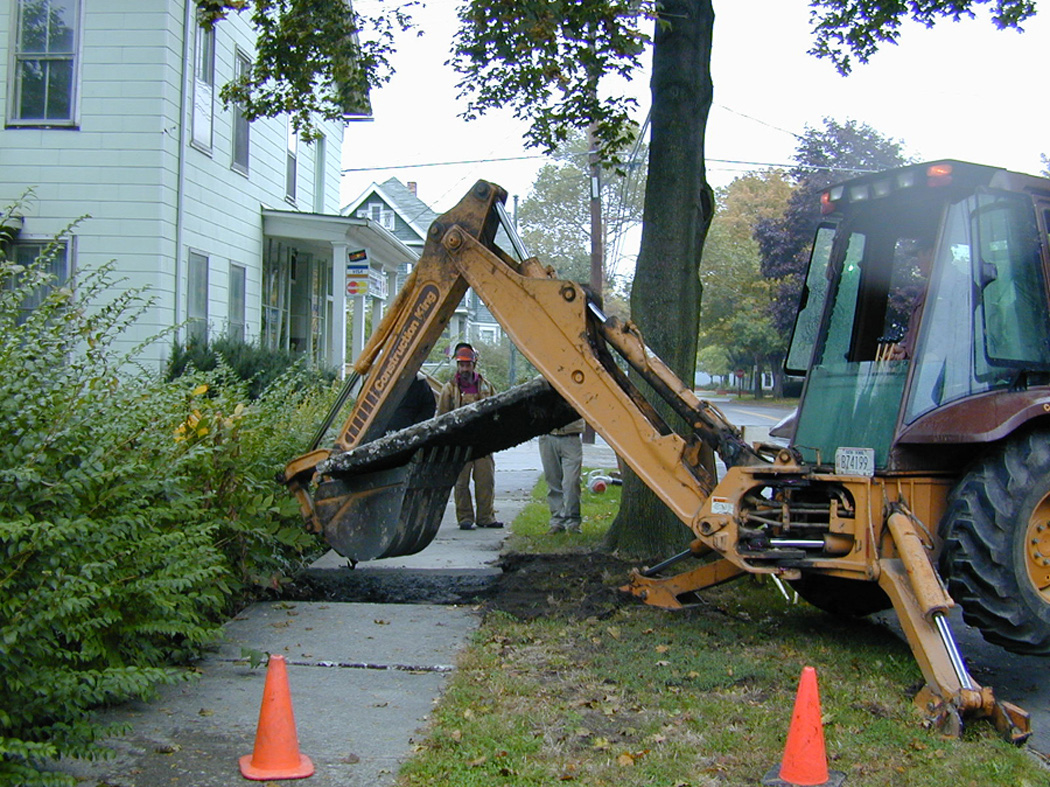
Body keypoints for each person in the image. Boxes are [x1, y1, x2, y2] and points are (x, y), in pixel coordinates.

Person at [437, 343, 503, 530]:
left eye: (468, 365)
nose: (464, 369)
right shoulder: (449, 389)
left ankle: (486, 517)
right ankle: (465, 518)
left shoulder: (486, 386)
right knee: (461, 482)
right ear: (457, 365)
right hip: (459, 444)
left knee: (486, 481)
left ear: (474, 364)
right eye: (461, 365)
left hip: (483, 443)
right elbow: (441, 418)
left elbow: (497, 413)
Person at [539, 416, 585, 534]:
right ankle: (557, 522)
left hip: (571, 435)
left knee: (572, 482)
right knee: (553, 481)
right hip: (547, 435)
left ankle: (573, 521)